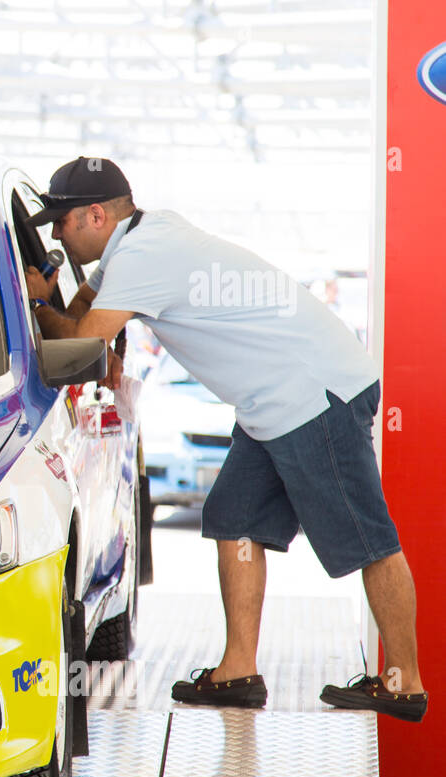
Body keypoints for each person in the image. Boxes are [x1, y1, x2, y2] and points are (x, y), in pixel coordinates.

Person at [23, 156, 426, 722]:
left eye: (60, 223)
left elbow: (81, 343)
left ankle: (403, 681)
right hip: (271, 403)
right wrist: (51, 296)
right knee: (234, 517)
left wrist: (38, 302)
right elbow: (85, 311)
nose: (56, 235)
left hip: (312, 394)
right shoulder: (136, 240)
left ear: (94, 215)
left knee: (366, 538)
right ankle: (238, 671)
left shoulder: (141, 255)